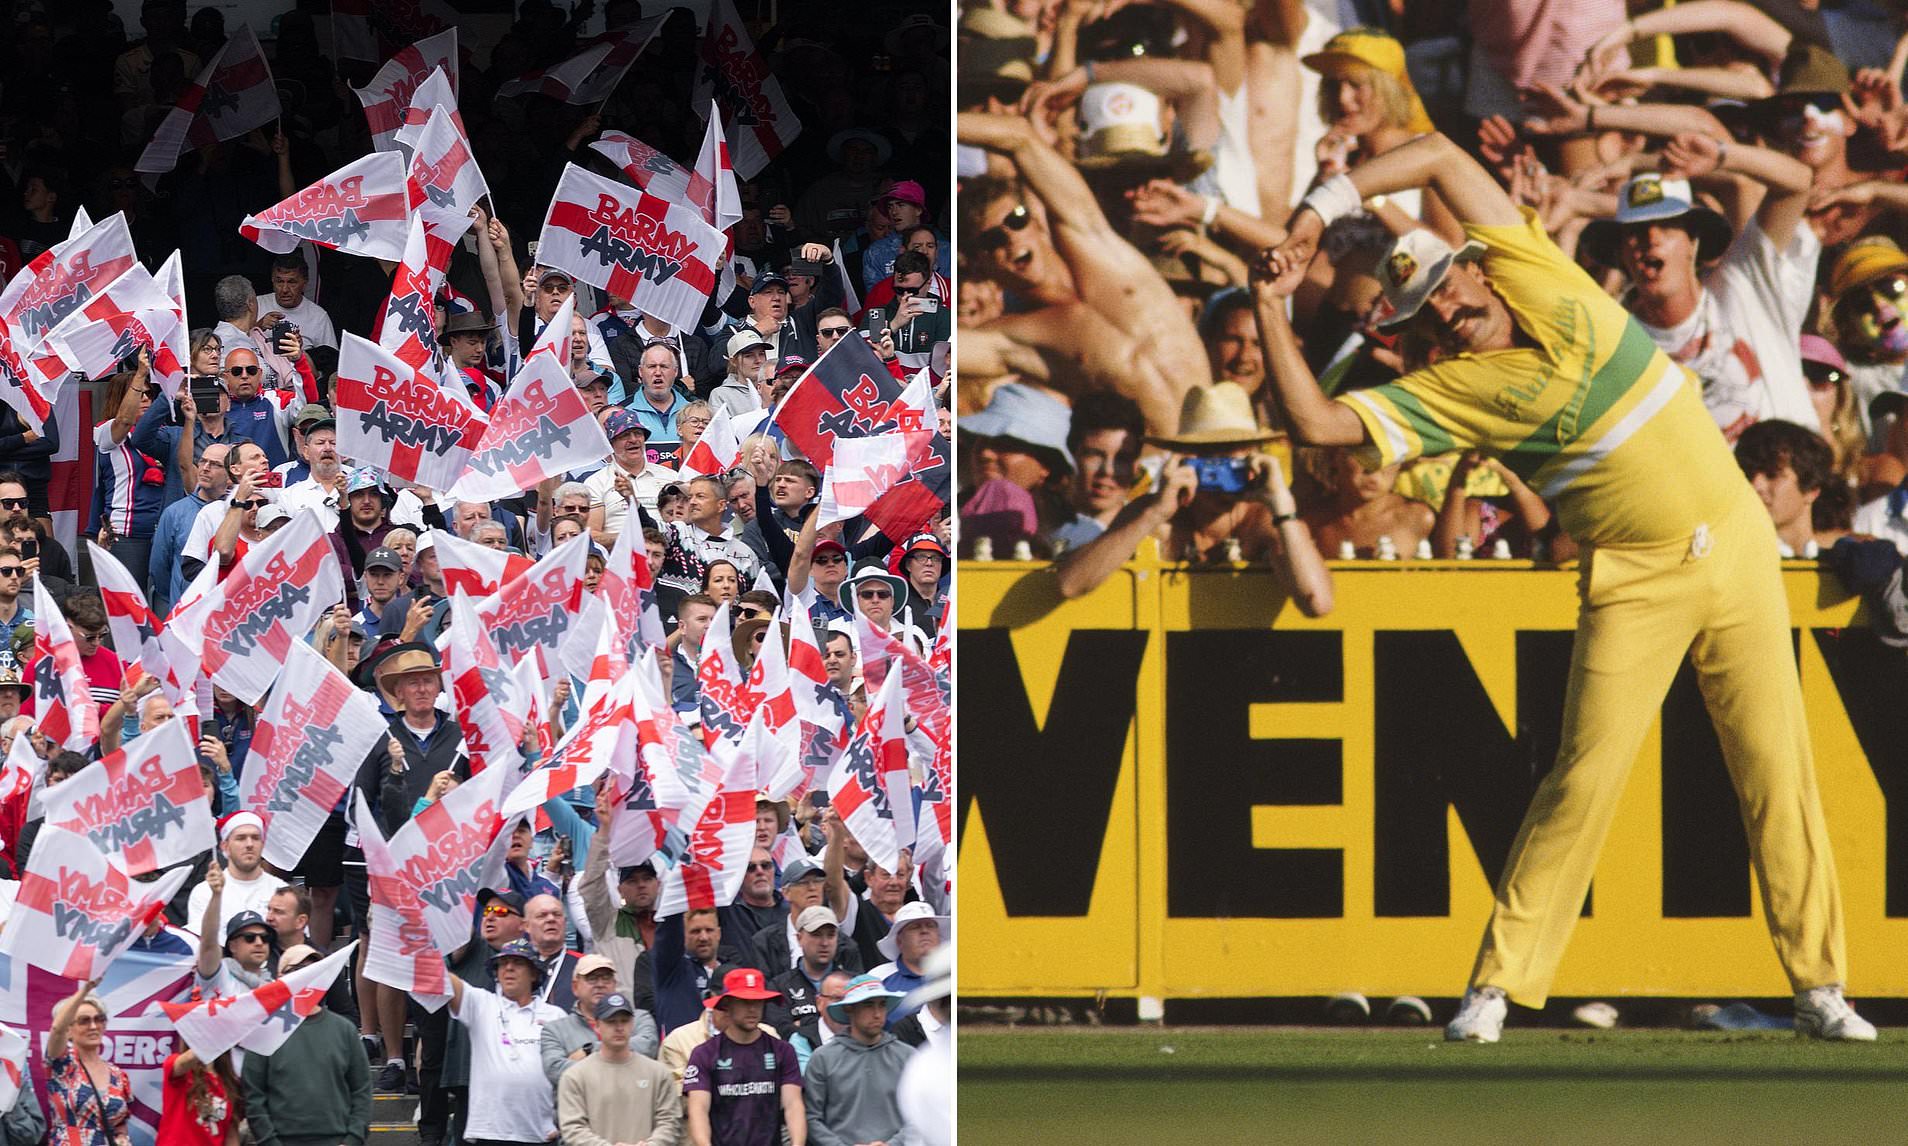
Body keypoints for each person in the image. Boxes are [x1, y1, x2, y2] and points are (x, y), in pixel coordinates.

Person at [1259, 128, 1870, 1041]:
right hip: (1633, 579)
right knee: (1580, 784)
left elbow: (1432, 152)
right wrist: (1272, 303)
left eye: (1447, 288)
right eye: (1424, 311)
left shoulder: (1532, 267)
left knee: (1780, 773)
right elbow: (1313, 419)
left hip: (1739, 548)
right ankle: (1496, 989)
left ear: (1476, 269)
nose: (1445, 311)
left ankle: (1820, 988)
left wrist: (1318, 211)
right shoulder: (1452, 387)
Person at [241, 945, 371, 1146]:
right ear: (280, 977)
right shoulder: (263, 1030)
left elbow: (361, 1089)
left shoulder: (344, 1030)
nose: (307, 975)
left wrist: (353, 1139)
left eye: (314, 969)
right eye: (298, 970)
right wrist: (269, 1141)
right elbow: (254, 1096)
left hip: (336, 1139)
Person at [444, 939, 567, 1146]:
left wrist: (566, 1123)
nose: (509, 968)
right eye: (503, 963)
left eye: (518, 963)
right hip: (491, 1133)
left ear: (534, 973)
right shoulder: (481, 1004)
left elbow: (574, 1073)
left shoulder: (556, 1016)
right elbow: (443, 980)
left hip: (542, 1134)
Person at [682, 968, 805, 1146]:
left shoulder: (783, 1050)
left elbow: (793, 1105)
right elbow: (698, 1110)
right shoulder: (704, 1053)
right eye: (744, 1001)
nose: (753, 1009)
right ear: (727, 1005)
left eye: (758, 1001)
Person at [554, 993, 681, 1146]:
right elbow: (572, 1129)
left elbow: (670, 1122)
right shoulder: (575, 1076)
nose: (619, 1027)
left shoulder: (658, 1073)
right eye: (611, 1022)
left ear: (632, 1024)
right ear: (597, 1025)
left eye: (624, 1021)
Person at [801, 975, 913, 1146]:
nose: (877, 1014)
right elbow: (811, 1117)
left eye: (882, 1005)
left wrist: (894, 1144)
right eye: (868, 1005)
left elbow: (921, 1114)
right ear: (849, 1009)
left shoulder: (907, 1057)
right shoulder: (823, 1058)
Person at [540, 954, 659, 1087]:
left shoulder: (639, 1018)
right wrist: (617, 1063)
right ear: (575, 986)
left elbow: (648, 1047)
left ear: (614, 984)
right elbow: (556, 1072)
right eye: (592, 979)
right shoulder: (555, 1030)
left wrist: (590, 1050)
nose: (600, 984)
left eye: (606, 978)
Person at [44, 981, 131, 1146]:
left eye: (99, 1019)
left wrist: (122, 1138)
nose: (93, 1026)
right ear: (68, 1030)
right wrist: (86, 990)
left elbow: (120, 1123)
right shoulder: (61, 1064)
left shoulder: (118, 1075)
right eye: (84, 1020)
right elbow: (57, 1030)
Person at [1736, 420, 1836, 559]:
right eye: (1747, 474)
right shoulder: (1722, 562)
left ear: (1811, 490)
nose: (1756, 485)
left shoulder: (1847, 563)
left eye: (1772, 474)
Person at [186, 812, 287, 936]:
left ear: (262, 845)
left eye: (255, 838)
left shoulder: (281, 890)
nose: (249, 844)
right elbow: (200, 944)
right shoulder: (204, 892)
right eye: (241, 838)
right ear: (225, 846)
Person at [157, 1046, 242, 1146]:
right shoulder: (178, 1067)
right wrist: (211, 1040)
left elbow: (231, 1135)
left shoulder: (228, 1082)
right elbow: (186, 1060)